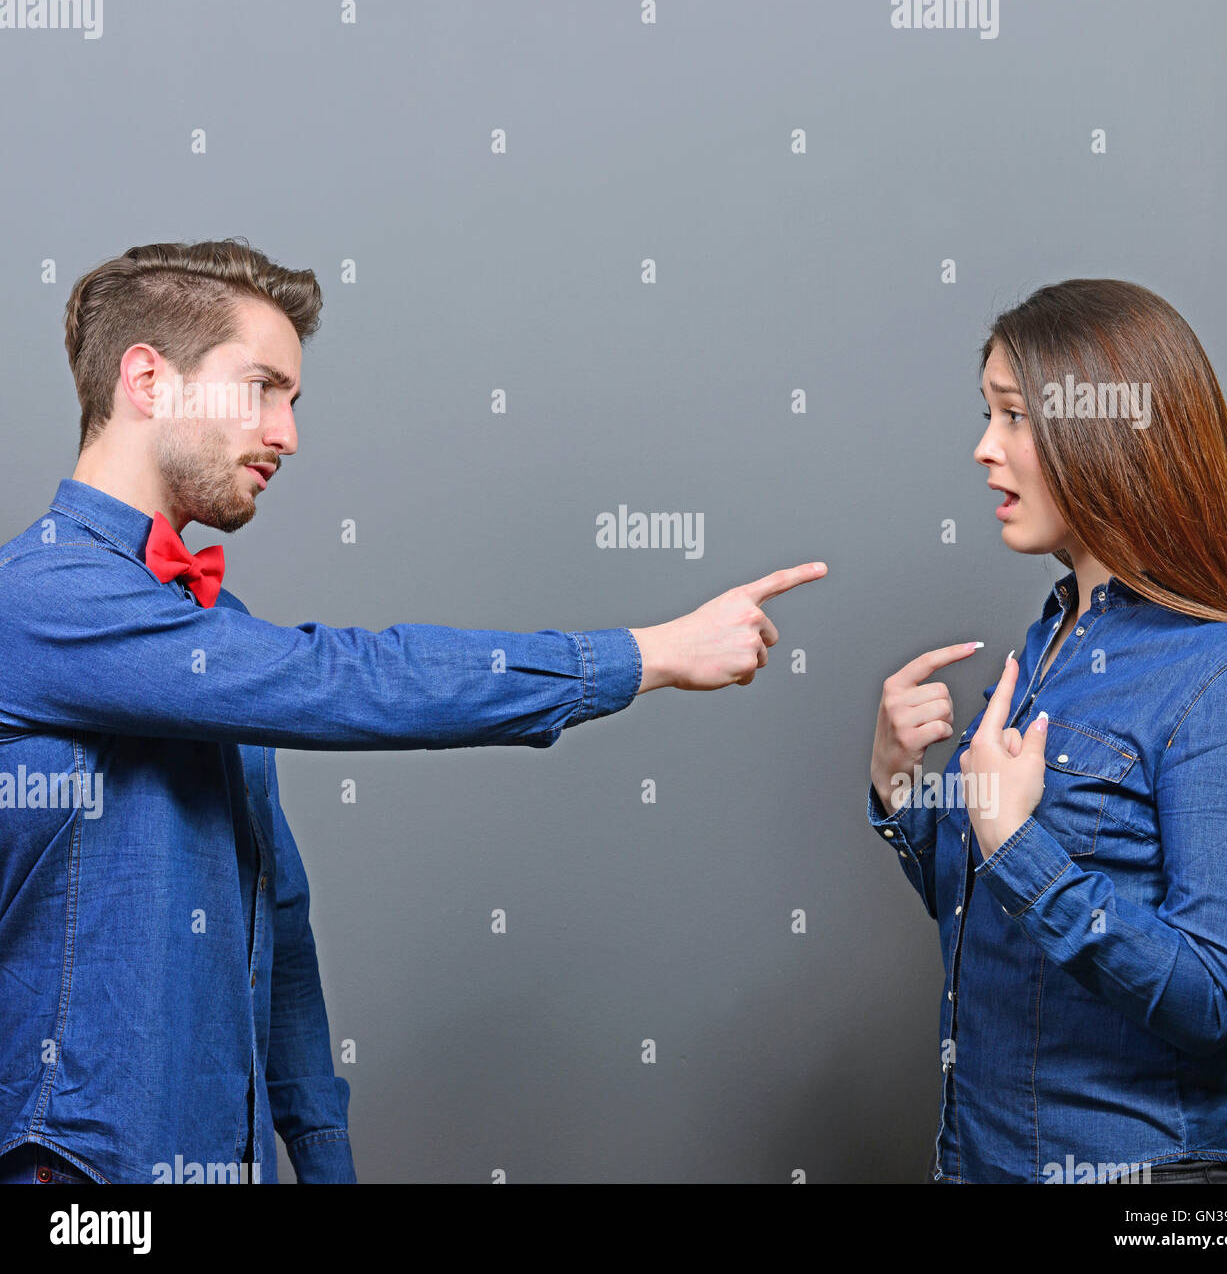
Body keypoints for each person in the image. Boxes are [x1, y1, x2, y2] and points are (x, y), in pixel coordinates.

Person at [0, 238, 826, 1185]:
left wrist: (321, 1152)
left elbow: (277, 913)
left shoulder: (208, 623)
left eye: (295, 402)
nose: (287, 435)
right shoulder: (40, 599)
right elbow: (345, 679)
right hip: (79, 1179)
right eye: (262, 388)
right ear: (147, 377)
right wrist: (644, 655)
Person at [868, 278, 1227, 1185]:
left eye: (1013, 417)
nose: (983, 449)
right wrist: (904, 793)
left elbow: (1207, 997)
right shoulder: (1051, 641)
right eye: (986, 413)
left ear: (1107, 431)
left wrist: (1018, 842)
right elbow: (986, 918)